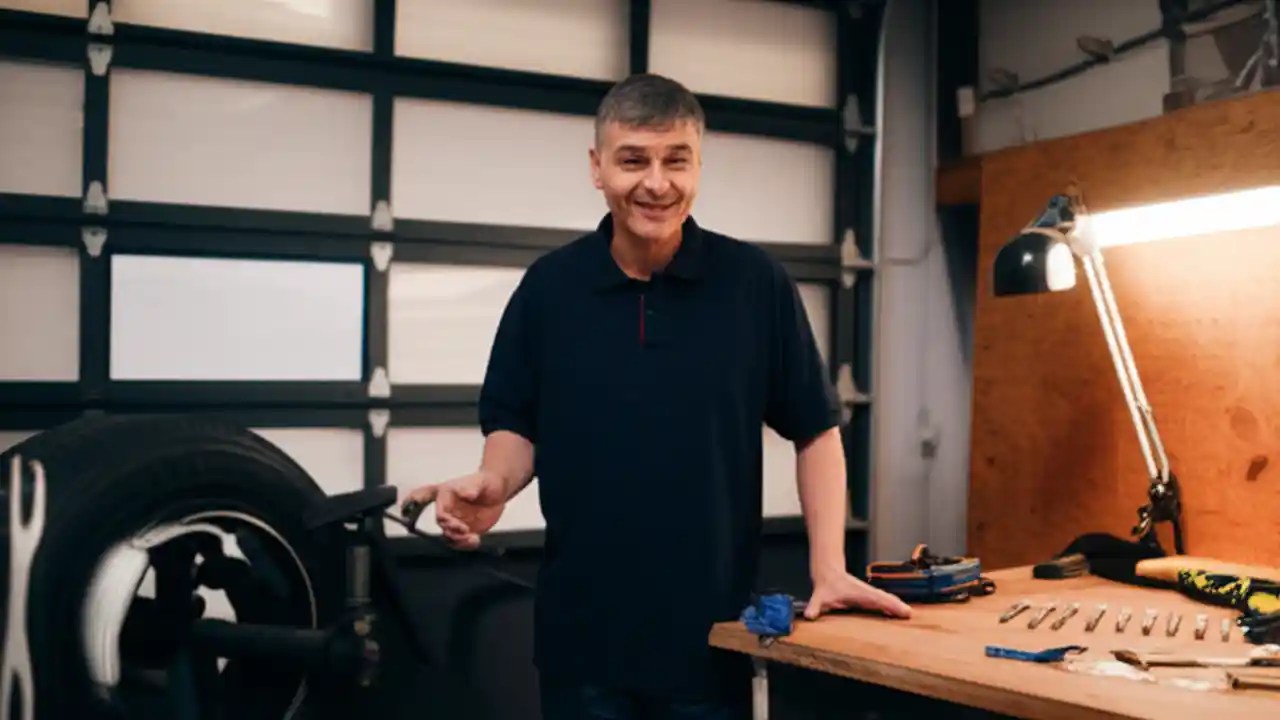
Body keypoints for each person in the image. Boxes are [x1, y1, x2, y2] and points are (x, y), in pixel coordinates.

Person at [402, 73, 911, 719]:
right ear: (597, 167)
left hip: (710, 639)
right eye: (633, 160)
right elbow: (515, 425)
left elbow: (815, 428)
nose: (656, 183)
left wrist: (829, 567)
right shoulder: (550, 289)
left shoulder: (754, 284)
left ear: (699, 163)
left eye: (677, 159)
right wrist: (495, 485)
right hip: (582, 642)